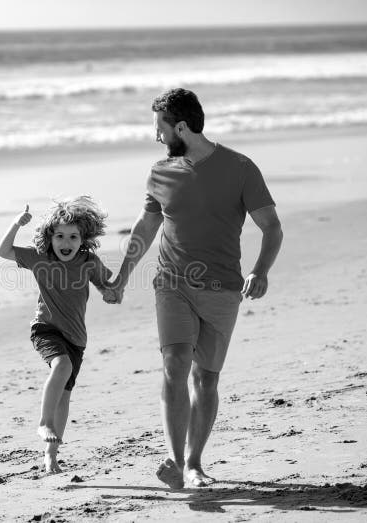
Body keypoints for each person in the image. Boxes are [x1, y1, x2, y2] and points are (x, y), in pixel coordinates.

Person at [103, 88, 283, 489]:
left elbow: (271, 226)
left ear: (181, 127)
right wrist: (123, 275)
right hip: (171, 283)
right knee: (175, 364)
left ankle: (195, 463)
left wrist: (261, 270)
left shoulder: (240, 168)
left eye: (160, 129)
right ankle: (175, 458)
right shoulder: (160, 171)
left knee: (206, 379)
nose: (156, 138)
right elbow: (145, 227)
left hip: (222, 287)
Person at [0, 196, 111, 474]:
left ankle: (51, 455)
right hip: (46, 328)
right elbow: (4, 251)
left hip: (76, 338)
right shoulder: (39, 258)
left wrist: (112, 293)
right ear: (49, 238)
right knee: (62, 365)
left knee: (65, 397)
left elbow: (108, 288)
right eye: (59, 236)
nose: (66, 242)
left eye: (73, 236)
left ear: (83, 238)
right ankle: (44, 421)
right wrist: (16, 224)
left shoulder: (89, 261)